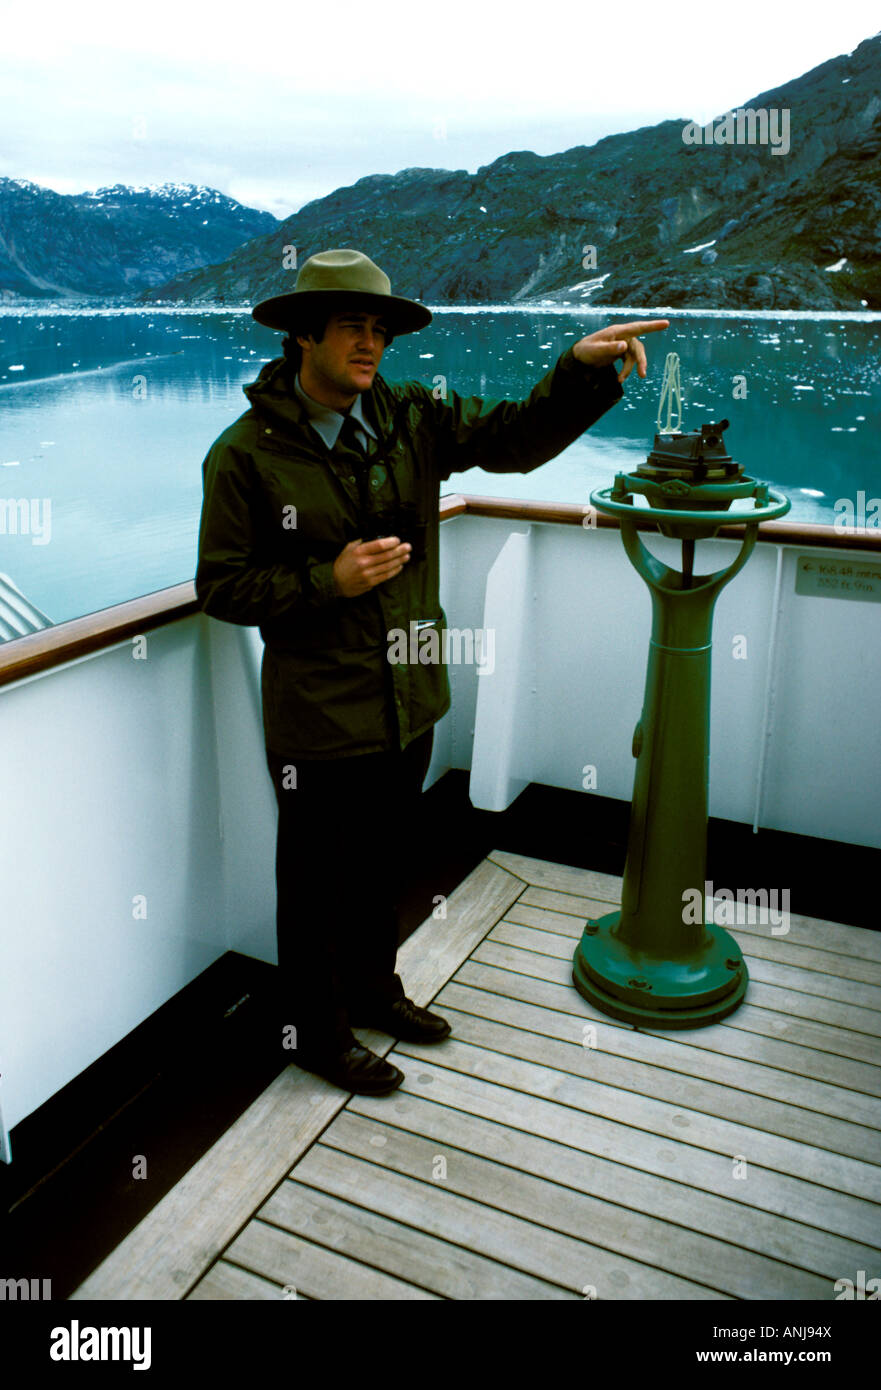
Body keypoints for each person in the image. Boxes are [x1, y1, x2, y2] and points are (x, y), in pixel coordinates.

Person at [195, 248, 668, 1097]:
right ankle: (316, 1033)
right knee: (314, 888)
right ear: (304, 336)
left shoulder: (411, 416)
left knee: (382, 865)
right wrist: (325, 580)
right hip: (320, 717)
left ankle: (377, 993)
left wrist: (578, 373)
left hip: (410, 694)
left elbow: (513, 444)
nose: (371, 344)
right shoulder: (246, 454)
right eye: (352, 328)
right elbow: (222, 586)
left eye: (379, 329)